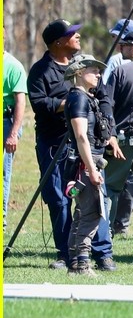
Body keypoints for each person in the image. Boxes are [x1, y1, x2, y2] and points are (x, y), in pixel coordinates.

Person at [27, 19, 117, 270]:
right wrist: (71, 103)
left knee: (95, 195)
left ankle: (102, 253)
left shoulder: (87, 67)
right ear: (58, 42)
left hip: (89, 143)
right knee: (60, 198)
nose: (78, 36)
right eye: (72, 34)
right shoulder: (40, 70)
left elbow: (105, 98)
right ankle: (66, 253)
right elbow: (39, 104)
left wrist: (109, 131)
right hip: (54, 143)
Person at [63, 55, 111, 275]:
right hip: (85, 163)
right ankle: (82, 262)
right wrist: (91, 170)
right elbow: (81, 136)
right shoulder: (79, 99)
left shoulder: (83, 96)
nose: (99, 75)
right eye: (94, 70)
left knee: (83, 212)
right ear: (80, 73)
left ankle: (74, 261)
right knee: (92, 213)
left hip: (87, 161)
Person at [104, 30, 133, 237]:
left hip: (121, 142)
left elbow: (106, 105)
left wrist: (109, 134)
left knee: (110, 189)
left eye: (123, 45)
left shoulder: (120, 72)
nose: (119, 48)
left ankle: (103, 236)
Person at [4, 50, 28, 227]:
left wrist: (13, 134)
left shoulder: (13, 66)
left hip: (6, 124)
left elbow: (20, 101)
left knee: (3, 173)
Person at [102, 19, 133, 85]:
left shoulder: (115, 60)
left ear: (122, 38)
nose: (113, 39)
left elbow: (105, 87)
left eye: (113, 36)